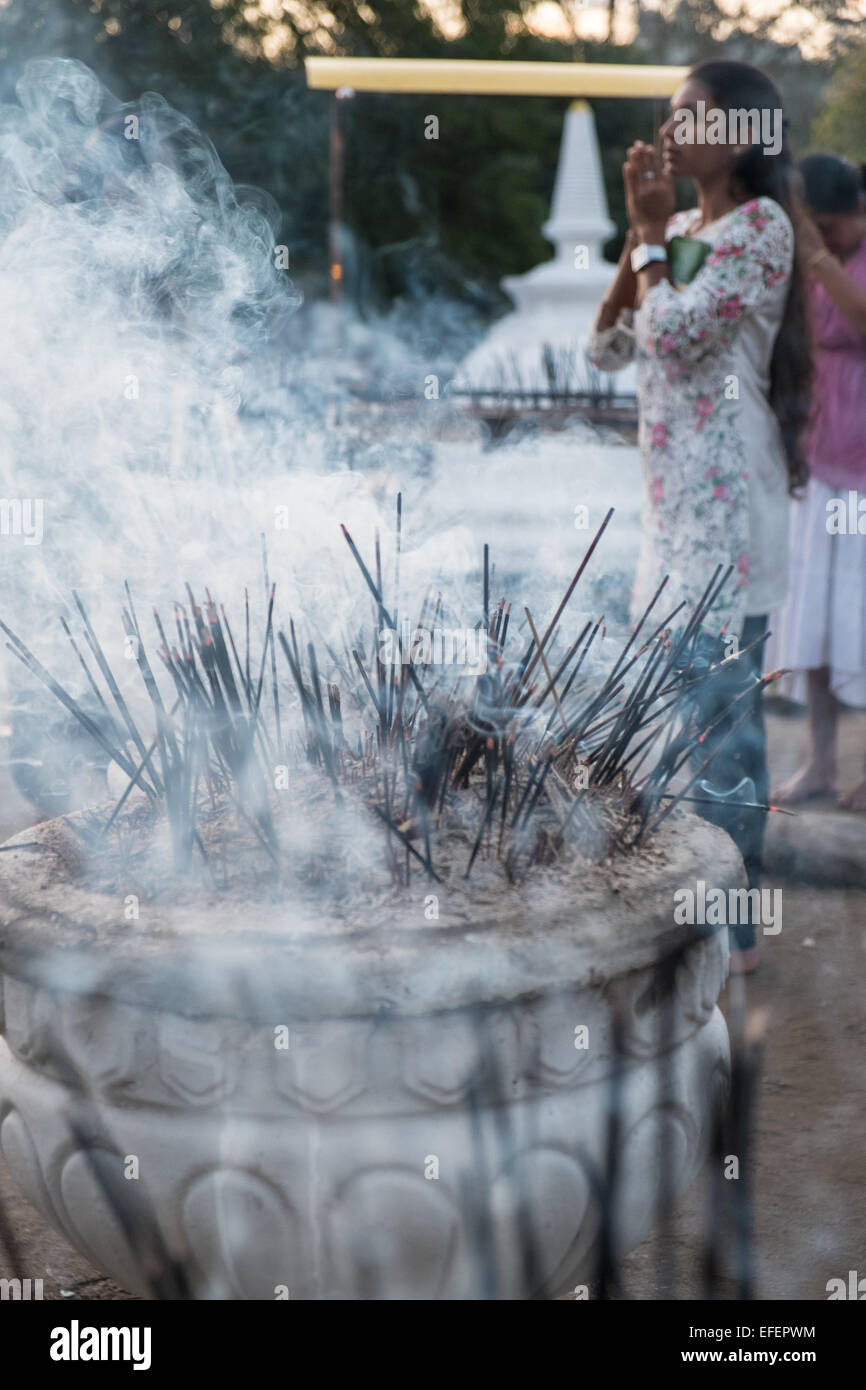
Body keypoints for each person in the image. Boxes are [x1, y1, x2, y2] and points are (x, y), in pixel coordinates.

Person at [588, 60, 811, 974]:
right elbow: (609, 348)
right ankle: (702, 906)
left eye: (692, 116)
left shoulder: (763, 229)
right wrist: (638, 241)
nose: (670, 130)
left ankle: (743, 931)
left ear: (745, 134)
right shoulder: (677, 230)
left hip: (729, 516)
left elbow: (677, 338)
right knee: (684, 724)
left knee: (728, 730)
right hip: (671, 516)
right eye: (670, 116)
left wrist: (647, 240)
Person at [771, 154, 866, 811]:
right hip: (816, 452)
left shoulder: (833, 257)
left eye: (830, 225)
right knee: (820, 618)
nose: (824, 237)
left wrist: (819, 254)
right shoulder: (797, 258)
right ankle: (821, 764)